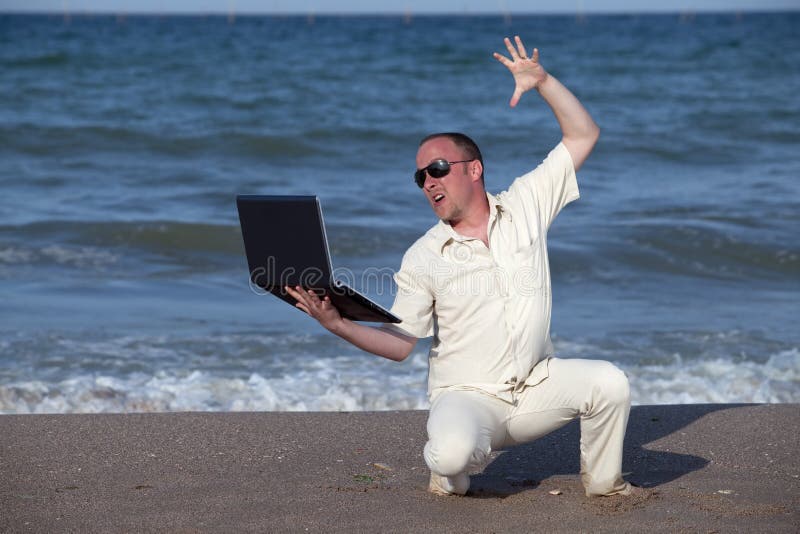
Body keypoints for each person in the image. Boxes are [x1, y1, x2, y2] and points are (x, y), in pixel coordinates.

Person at [286, 36, 633, 498]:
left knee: (609, 382)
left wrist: (543, 81)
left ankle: (606, 488)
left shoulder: (526, 205)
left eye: (438, 168)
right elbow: (400, 345)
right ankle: (448, 471)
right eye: (420, 177)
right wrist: (336, 323)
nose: (428, 181)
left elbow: (583, 134)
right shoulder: (425, 255)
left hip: (536, 386)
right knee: (452, 455)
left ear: (474, 170)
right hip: (466, 397)